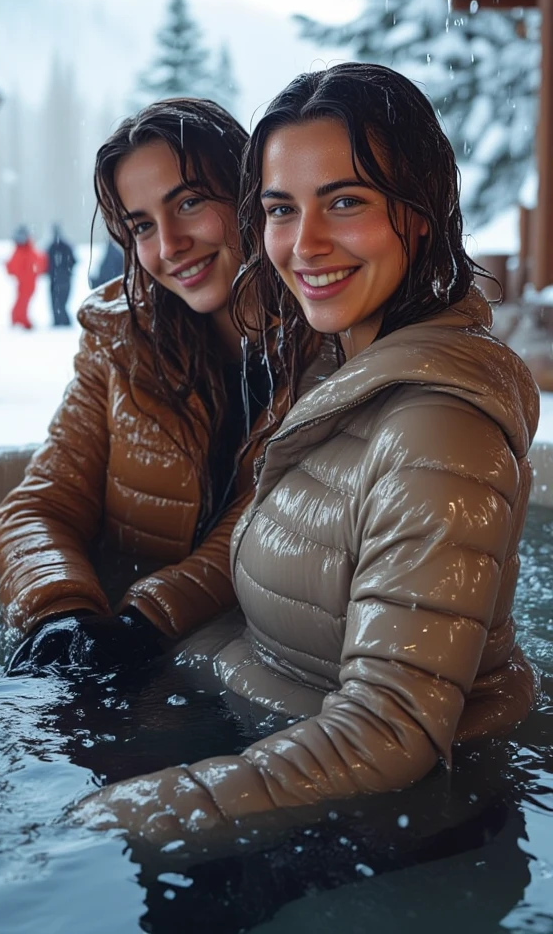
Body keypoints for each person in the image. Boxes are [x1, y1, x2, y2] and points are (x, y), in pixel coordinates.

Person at [74, 64, 540, 847]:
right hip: (273, 748)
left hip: (389, 837)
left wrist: (115, 819)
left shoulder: (435, 431)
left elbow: (388, 731)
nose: (305, 244)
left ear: (419, 213)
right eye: (282, 210)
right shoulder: (337, 373)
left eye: (346, 201)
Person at [0, 97, 279, 676]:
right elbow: (41, 507)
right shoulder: (121, 340)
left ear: (249, 193)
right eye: (142, 225)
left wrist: (143, 621)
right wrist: (61, 615)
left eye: (189, 203)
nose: (169, 245)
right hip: (116, 626)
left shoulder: (323, 348)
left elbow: (262, 520)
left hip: (242, 654)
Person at [6, 225, 47, 329]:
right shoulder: (19, 250)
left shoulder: (30, 250)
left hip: (29, 282)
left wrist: (33, 272)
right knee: (21, 302)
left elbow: (40, 264)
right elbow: (11, 266)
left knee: (23, 302)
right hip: (22, 282)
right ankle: (19, 320)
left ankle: (22, 320)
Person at [47, 223, 76, 326]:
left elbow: (73, 262)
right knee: (59, 303)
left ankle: (62, 322)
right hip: (60, 280)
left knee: (58, 303)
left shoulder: (53, 247)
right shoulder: (60, 247)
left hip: (59, 280)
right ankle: (60, 322)